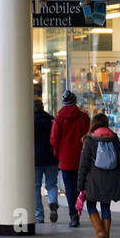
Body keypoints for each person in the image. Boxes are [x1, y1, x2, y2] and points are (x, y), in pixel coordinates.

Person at [76, 112, 120, 238]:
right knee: (105, 206)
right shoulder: (114, 138)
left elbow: (84, 164)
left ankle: (100, 232)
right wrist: (116, 173)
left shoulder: (90, 139)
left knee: (91, 205)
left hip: (94, 180)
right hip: (111, 178)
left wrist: (80, 184)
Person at [50, 91, 90, 228]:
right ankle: (78, 209)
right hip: (82, 157)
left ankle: (73, 215)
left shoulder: (59, 119)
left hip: (66, 158)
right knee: (80, 187)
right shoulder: (84, 117)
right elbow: (88, 135)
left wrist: (57, 152)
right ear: (75, 102)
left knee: (69, 188)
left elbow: (54, 139)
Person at [33, 98, 60, 224]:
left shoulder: (29, 121)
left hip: (35, 159)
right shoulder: (51, 119)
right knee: (51, 185)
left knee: (36, 187)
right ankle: (53, 203)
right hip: (51, 158)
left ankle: (39, 216)